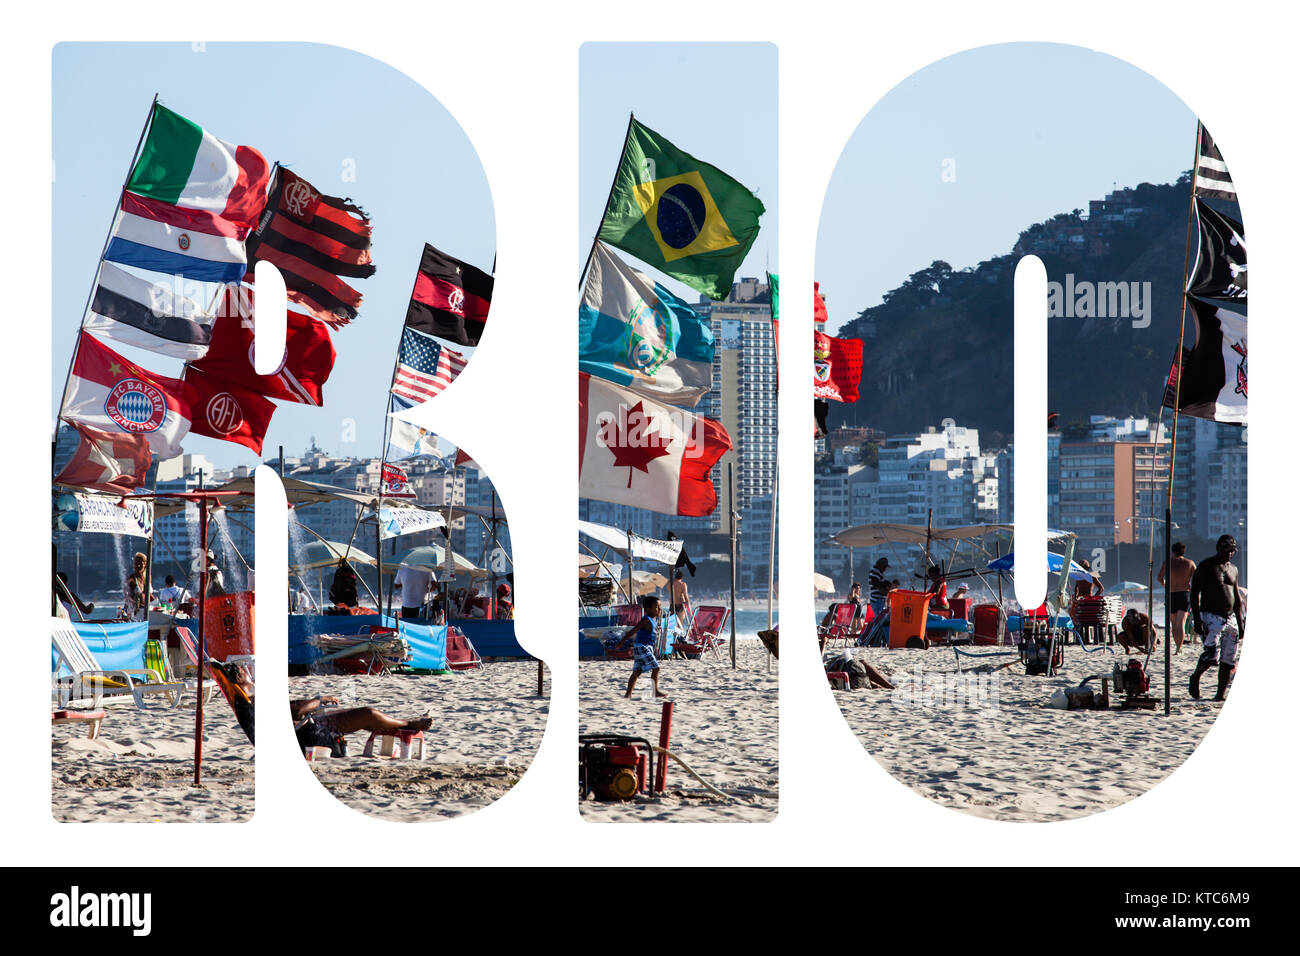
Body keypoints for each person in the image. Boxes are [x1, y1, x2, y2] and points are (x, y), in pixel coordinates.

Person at [1189, 534, 1245, 701]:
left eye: (1232, 551)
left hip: (1231, 618)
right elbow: (1194, 594)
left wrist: (1241, 623)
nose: (1229, 554)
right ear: (1219, 549)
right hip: (1210, 615)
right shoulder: (1206, 567)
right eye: (1226, 551)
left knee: (1229, 658)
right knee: (1211, 655)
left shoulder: (1233, 569)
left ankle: (1220, 695)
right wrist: (1198, 619)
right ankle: (1196, 677)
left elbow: (1236, 597)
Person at [290, 694, 433, 756]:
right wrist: (320, 700)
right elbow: (298, 710)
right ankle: (409, 724)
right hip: (307, 734)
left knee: (366, 716)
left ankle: (406, 723)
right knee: (368, 714)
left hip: (310, 726)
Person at [622, 594, 666, 699]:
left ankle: (628, 694)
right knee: (656, 668)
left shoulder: (653, 620)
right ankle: (655, 691)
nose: (659, 609)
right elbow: (633, 630)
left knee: (637, 671)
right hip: (642, 647)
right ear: (647, 609)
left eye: (660, 607)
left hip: (645, 647)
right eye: (656, 607)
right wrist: (622, 641)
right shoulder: (646, 619)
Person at [1158, 541, 1197, 655]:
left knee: (1174, 624)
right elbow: (1197, 578)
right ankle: (1179, 648)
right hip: (1184, 594)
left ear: (1172, 551)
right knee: (1181, 622)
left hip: (1171, 594)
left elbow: (1159, 578)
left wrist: (1165, 584)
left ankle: (1177, 646)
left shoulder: (1167, 563)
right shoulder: (1189, 563)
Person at [123, 552, 151, 621]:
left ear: (145, 564)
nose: (138, 566)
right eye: (136, 563)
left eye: (140, 563)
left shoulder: (148, 577)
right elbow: (127, 597)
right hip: (135, 613)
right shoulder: (131, 579)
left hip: (146, 611)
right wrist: (137, 604)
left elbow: (148, 594)